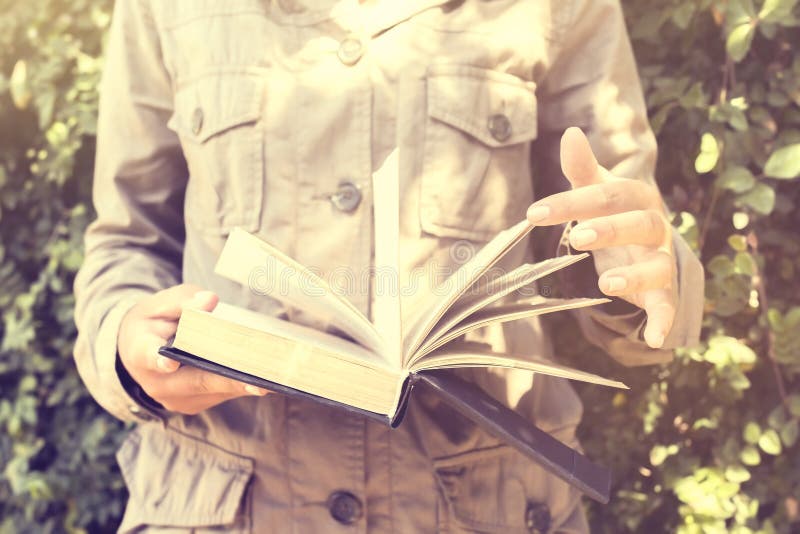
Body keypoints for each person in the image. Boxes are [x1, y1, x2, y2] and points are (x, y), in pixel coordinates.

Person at [73, 0, 704, 532]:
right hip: (227, 500)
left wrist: (635, 276)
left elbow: (618, 220)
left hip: (486, 505)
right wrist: (124, 339)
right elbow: (126, 239)